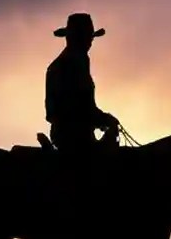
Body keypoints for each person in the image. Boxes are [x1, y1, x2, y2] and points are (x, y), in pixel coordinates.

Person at [44, 13, 120, 156]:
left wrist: (101, 118)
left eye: (90, 38)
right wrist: (103, 119)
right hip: (74, 139)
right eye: (87, 38)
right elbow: (79, 107)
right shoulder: (69, 65)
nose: (90, 42)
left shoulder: (67, 63)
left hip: (71, 135)